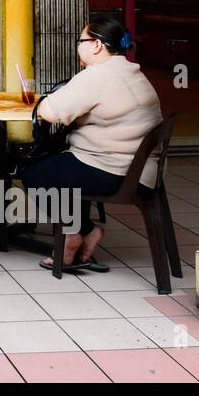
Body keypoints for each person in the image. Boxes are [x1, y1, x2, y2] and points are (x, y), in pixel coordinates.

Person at [22, 16, 163, 272]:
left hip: (116, 170)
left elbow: (51, 112)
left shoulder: (98, 76)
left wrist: (42, 100)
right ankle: (88, 231)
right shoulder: (132, 71)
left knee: (33, 172)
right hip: (140, 169)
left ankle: (73, 235)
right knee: (62, 164)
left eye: (81, 41)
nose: (79, 47)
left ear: (96, 45)